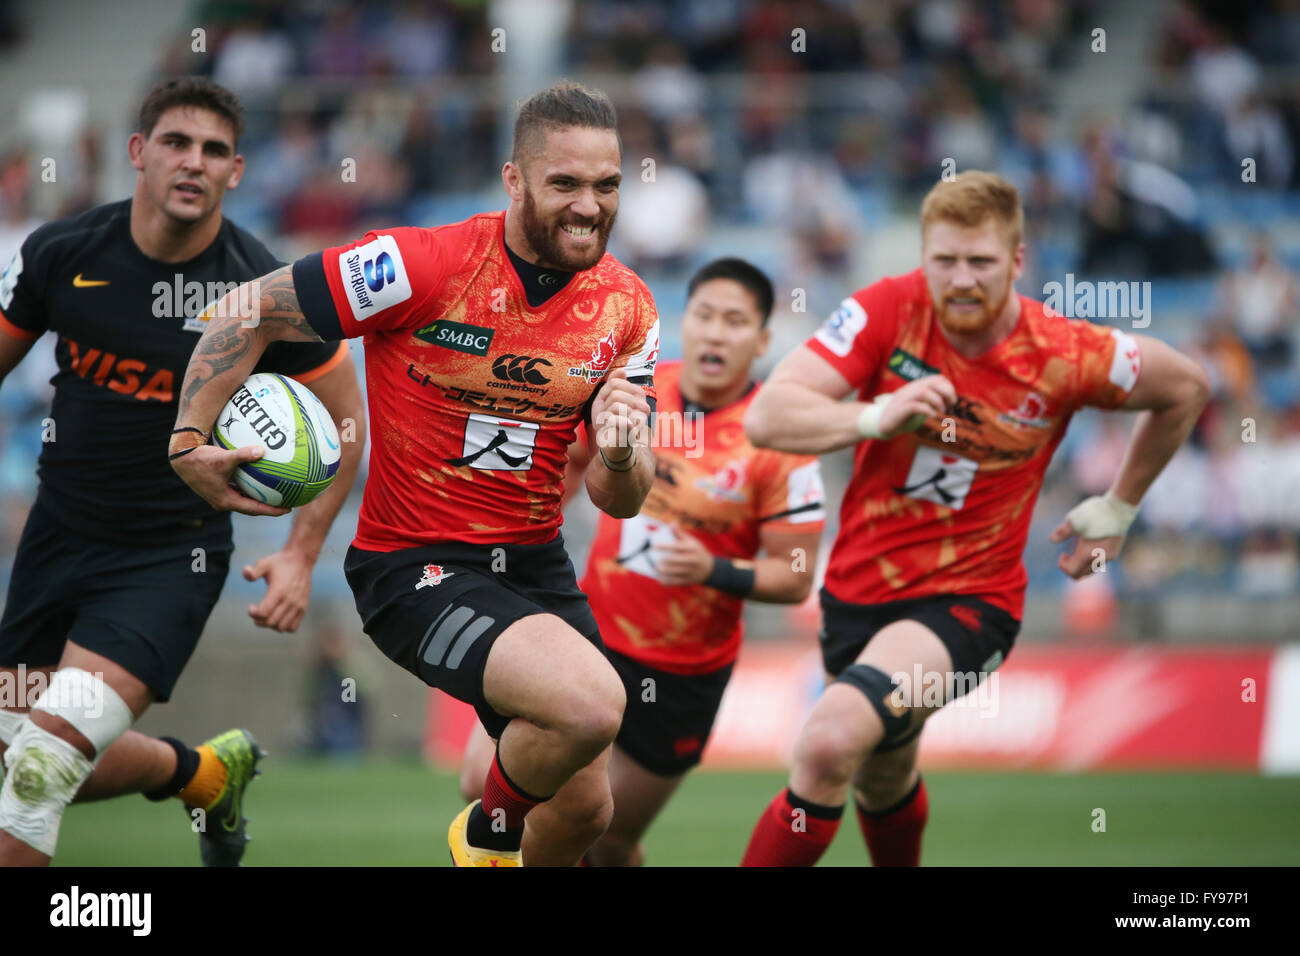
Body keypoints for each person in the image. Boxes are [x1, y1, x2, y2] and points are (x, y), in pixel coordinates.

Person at [168, 82, 660, 867]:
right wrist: (189, 438)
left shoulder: (629, 311)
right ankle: (487, 835)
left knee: (584, 816)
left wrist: (627, 450)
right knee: (594, 705)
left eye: (607, 186)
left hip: (534, 568)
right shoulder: (418, 264)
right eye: (564, 183)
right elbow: (246, 311)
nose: (588, 206)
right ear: (514, 180)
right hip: (412, 566)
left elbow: (618, 498)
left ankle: (503, 821)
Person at [739, 171, 1210, 866]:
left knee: (830, 739)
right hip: (857, 595)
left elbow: (1187, 387)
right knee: (882, 774)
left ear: (1017, 262)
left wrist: (1117, 508)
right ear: (922, 256)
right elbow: (767, 415)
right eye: (945, 261)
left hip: (970, 605)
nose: (961, 279)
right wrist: (872, 414)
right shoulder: (886, 311)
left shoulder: (1063, 352)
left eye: (981, 262)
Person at [0, 78, 365, 867]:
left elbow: (345, 422)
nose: (192, 162)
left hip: (168, 558)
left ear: (236, 172)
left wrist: (302, 554)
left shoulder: (266, 291)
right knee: (14, 756)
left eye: (214, 151)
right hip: (54, 543)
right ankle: (197, 772)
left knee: (39, 767)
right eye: (175, 142)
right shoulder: (63, 254)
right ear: (138, 153)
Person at [460, 257, 826, 865]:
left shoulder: (778, 439)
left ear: (762, 340)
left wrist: (711, 569)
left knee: (605, 839)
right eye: (705, 315)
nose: (714, 332)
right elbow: (572, 462)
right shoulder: (638, 392)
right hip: (586, 631)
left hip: (678, 678)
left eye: (735, 321)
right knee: (483, 782)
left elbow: (794, 577)